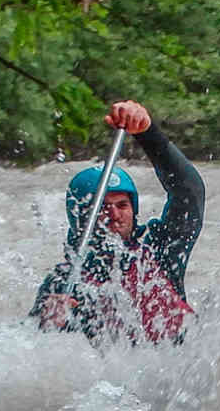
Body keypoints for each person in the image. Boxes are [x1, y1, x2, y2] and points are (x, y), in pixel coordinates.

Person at [30, 101, 205, 346]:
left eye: (122, 205)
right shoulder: (64, 281)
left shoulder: (159, 247)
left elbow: (190, 193)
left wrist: (148, 134)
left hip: (175, 364)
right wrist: (47, 322)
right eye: (102, 207)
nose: (115, 214)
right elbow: (34, 347)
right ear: (80, 217)